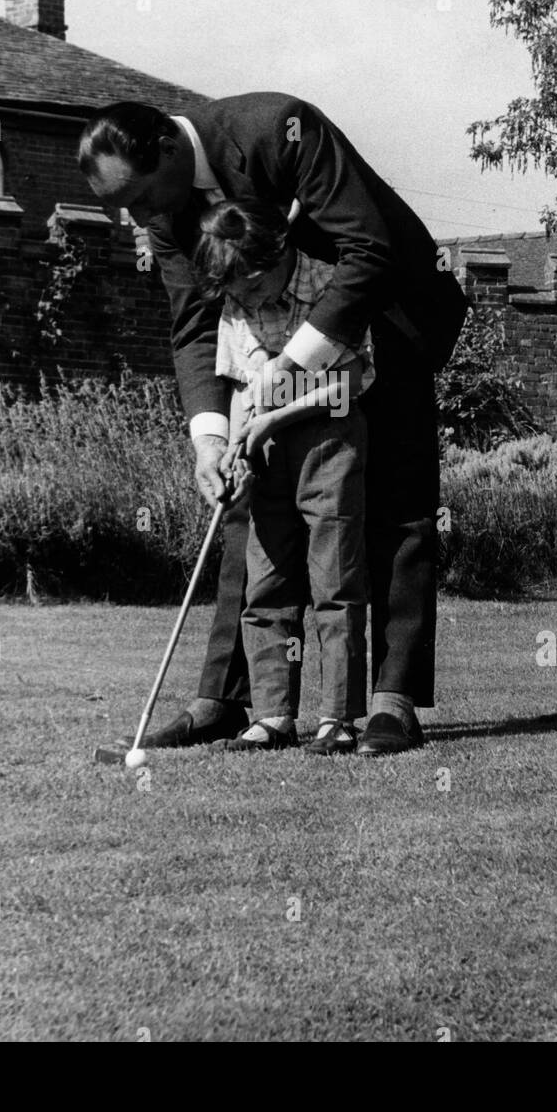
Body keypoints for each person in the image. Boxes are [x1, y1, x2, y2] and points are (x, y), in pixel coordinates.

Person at [80, 93, 467, 756]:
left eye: (140, 199)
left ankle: (389, 702)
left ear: (170, 152)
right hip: (276, 360)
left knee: (396, 509)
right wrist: (210, 440)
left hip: (391, 316)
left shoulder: (276, 131)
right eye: (125, 208)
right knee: (247, 511)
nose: (138, 219)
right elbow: (196, 325)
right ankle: (227, 701)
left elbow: (366, 250)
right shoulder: (169, 216)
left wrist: (285, 370)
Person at [194, 198, 372, 754]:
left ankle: (337, 718)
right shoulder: (235, 305)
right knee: (265, 583)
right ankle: (272, 716)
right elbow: (243, 385)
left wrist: (275, 416)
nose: (241, 304)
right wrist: (231, 451)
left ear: (269, 262)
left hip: (328, 443)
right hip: (266, 451)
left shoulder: (329, 285)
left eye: (246, 290)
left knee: (334, 581)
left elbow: (353, 384)